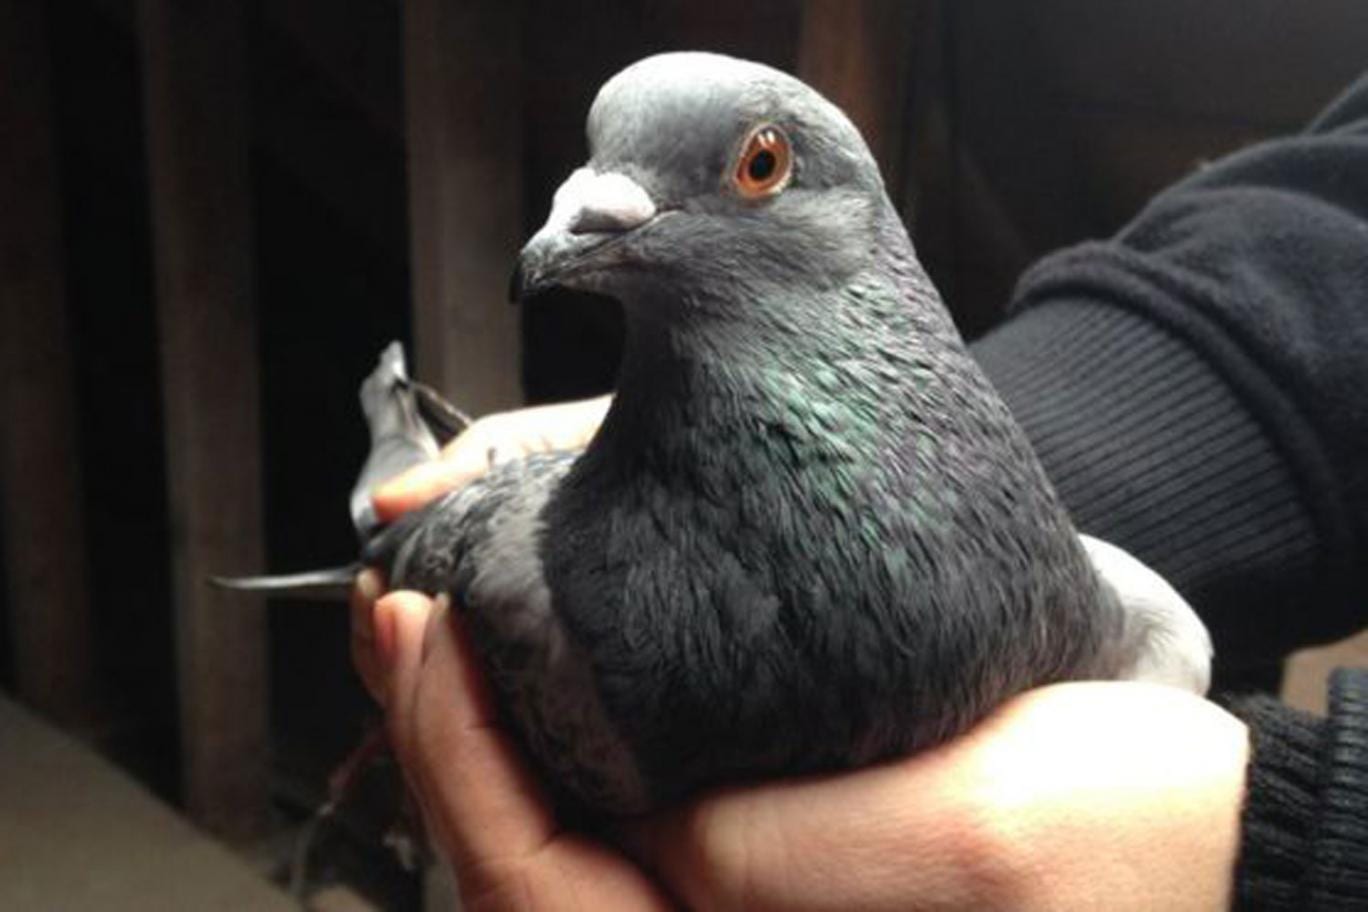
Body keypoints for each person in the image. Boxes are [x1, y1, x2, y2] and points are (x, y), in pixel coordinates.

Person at [351, 71, 1368, 910]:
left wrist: (1283, 858)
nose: (588, 206)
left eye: (758, 166)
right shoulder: (557, 607)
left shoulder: (1127, 627)